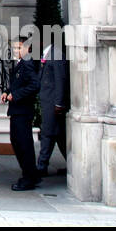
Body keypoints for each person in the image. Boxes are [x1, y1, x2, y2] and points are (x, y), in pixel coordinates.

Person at [2, 35, 40, 190]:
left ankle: (29, 178)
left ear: (27, 48)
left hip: (23, 110)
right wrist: (7, 91)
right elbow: (17, 83)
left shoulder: (27, 63)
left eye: (19, 48)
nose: (16, 51)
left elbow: (34, 85)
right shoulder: (20, 63)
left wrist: (15, 95)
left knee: (23, 144)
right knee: (17, 142)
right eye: (14, 48)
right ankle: (31, 174)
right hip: (17, 110)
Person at [36, 39, 70, 177]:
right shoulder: (46, 54)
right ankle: (73, 164)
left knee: (48, 133)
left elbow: (60, 79)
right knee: (59, 136)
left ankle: (41, 166)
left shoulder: (56, 54)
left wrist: (59, 103)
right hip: (47, 101)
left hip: (53, 103)